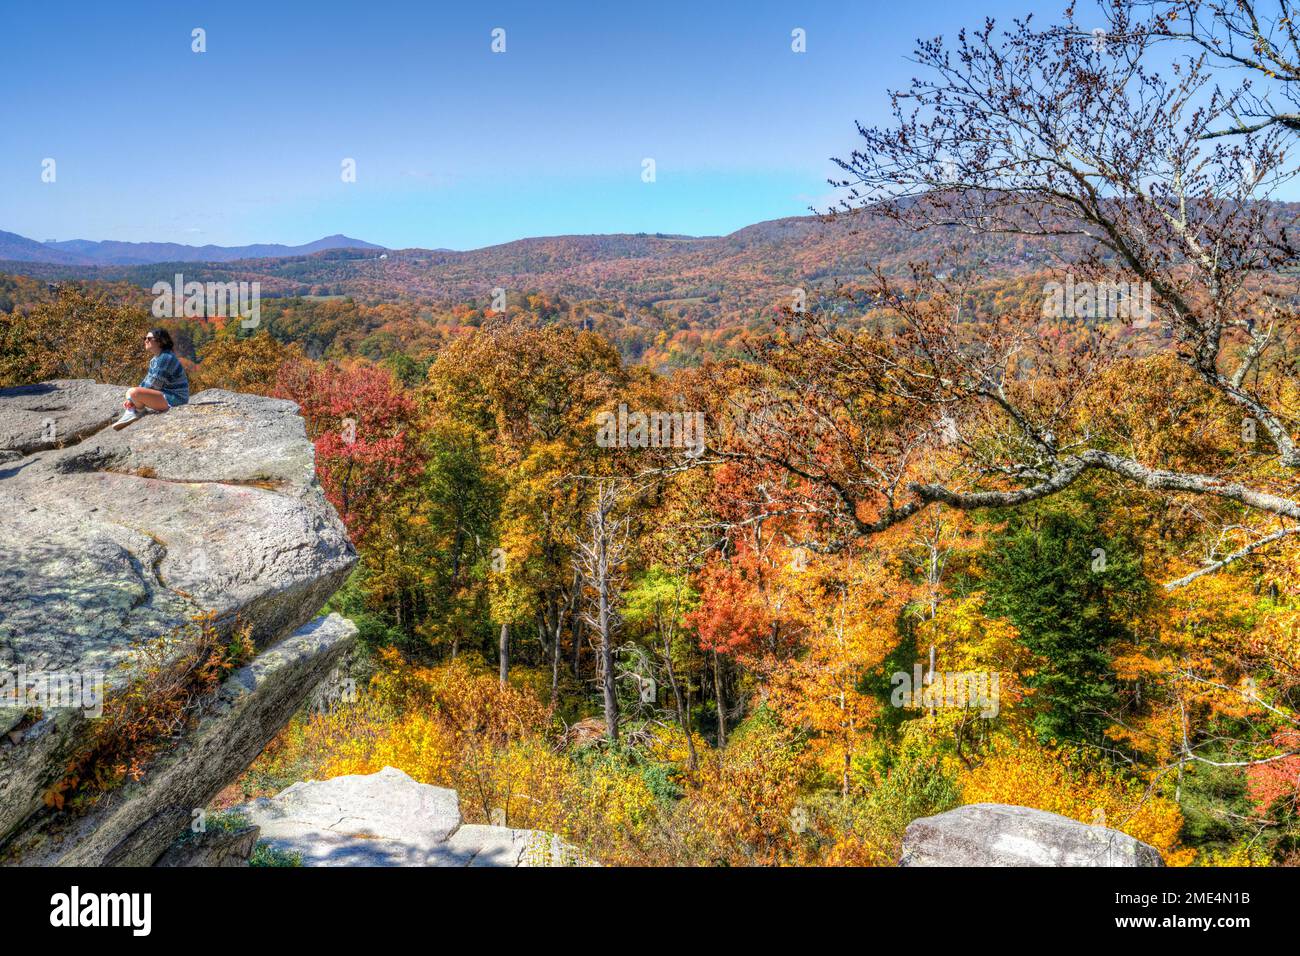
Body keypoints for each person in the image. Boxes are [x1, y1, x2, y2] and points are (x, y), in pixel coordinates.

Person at [113, 328, 190, 430]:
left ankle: (135, 412)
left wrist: (133, 398)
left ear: (160, 341)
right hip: (165, 395)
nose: (145, 340)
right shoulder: (155, 359)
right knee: (130, 393)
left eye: (149, 338)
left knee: (133, 392)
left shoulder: (166, 358)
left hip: (176, 399)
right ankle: (134, 410)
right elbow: (146, 381)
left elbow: (155, 385)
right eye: (145, 338)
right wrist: (131, 399)